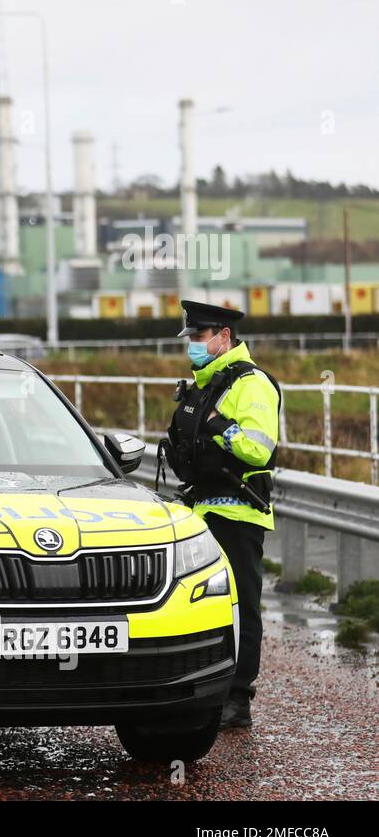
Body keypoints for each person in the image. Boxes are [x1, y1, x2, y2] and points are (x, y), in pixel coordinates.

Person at [163, 300, 281, 730]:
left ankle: (238, 699)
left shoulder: (252, 384)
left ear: (223, 337)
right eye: (191, 337)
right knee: (197, 604)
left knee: (242, 608)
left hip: (239, 512)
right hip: (201, 511)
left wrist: (215, 424)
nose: (193, 345)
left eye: (199, 337)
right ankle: (198, 688)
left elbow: (258, 447)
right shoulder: (206, 384)